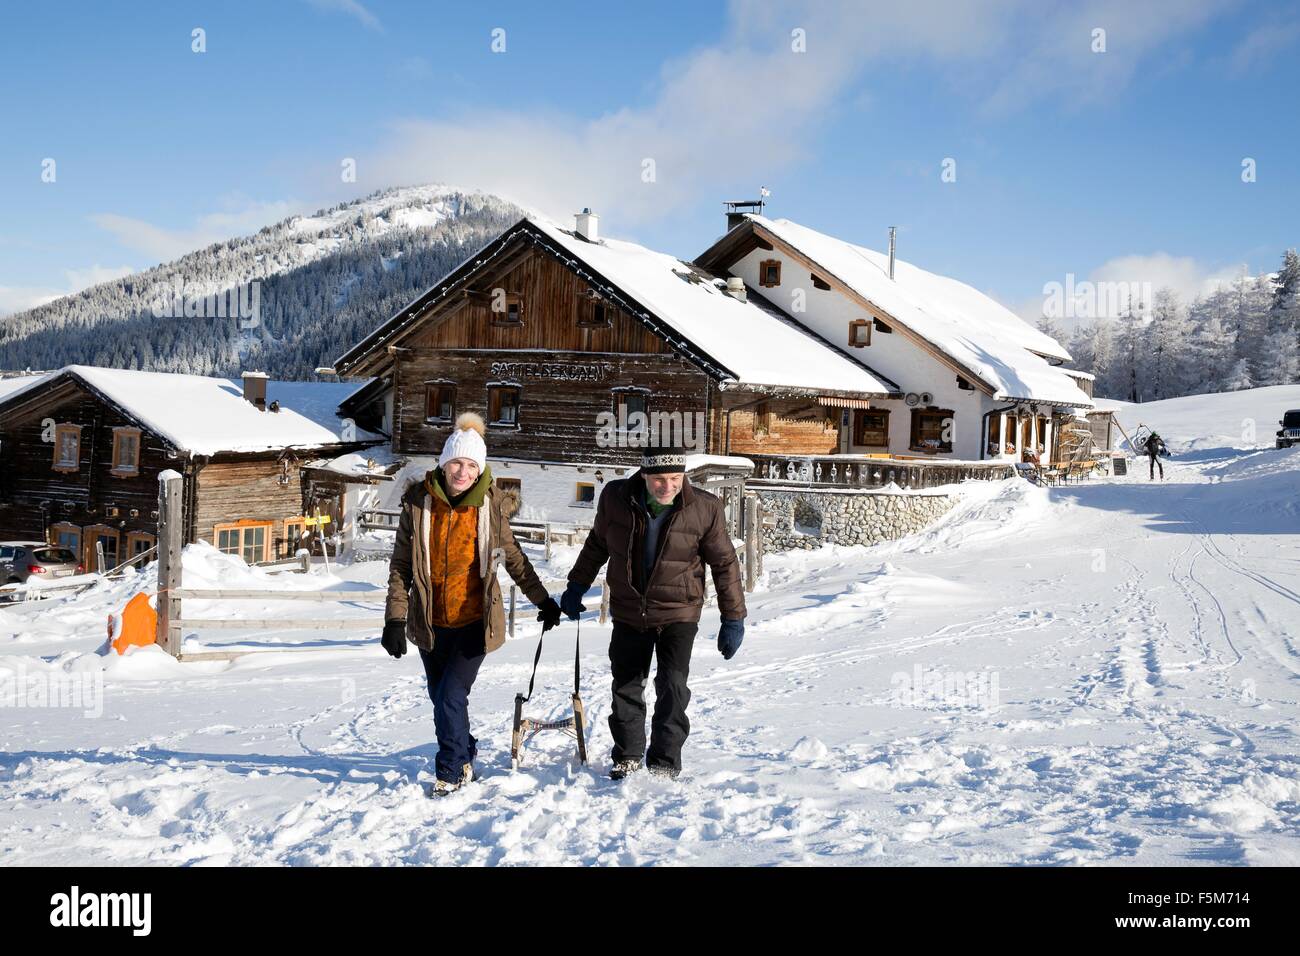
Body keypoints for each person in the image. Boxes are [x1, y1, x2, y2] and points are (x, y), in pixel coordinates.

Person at [382, 412, 561, 796]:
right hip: (429, 622)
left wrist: (543, 600)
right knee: (441, 699)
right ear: (444, 464)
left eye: (469, 465)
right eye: (455, 463)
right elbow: (400, 566)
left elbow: (513, 558)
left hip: (473, 623)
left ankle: (452, 770)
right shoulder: (418, 503)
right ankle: (465, 749)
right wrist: (395, 620)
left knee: (449, 696)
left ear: (479, 470)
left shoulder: (490, 507)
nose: (461, 472)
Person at [562, 445, 747, 780]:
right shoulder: (616, 498)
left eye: (676, 478)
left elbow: (724, 563)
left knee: (673, 686)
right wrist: (577, 585)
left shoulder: (704, 508)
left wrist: (732, 617)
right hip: (630, 611)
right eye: (660, 479)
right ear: (644, 476)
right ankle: (628, 755)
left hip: (679, 611)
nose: (668, 487)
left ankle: (664, 762)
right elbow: (597, 544)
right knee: (627, 686)